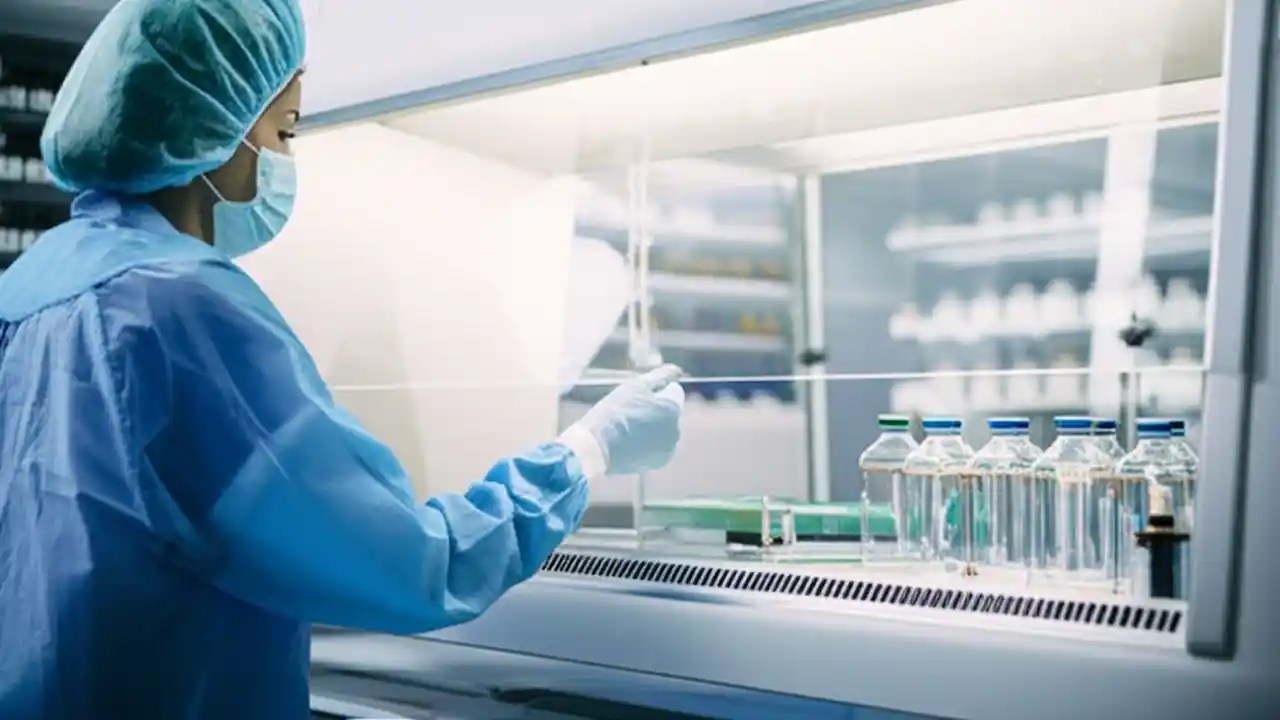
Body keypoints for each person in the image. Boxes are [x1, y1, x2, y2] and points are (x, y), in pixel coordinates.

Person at [0, 1, 684, 718]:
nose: (286, 157)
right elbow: (414, 565)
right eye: (283, 129)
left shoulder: (26, 294)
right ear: (209, 127)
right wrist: (588, 451)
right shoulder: (180, 309)